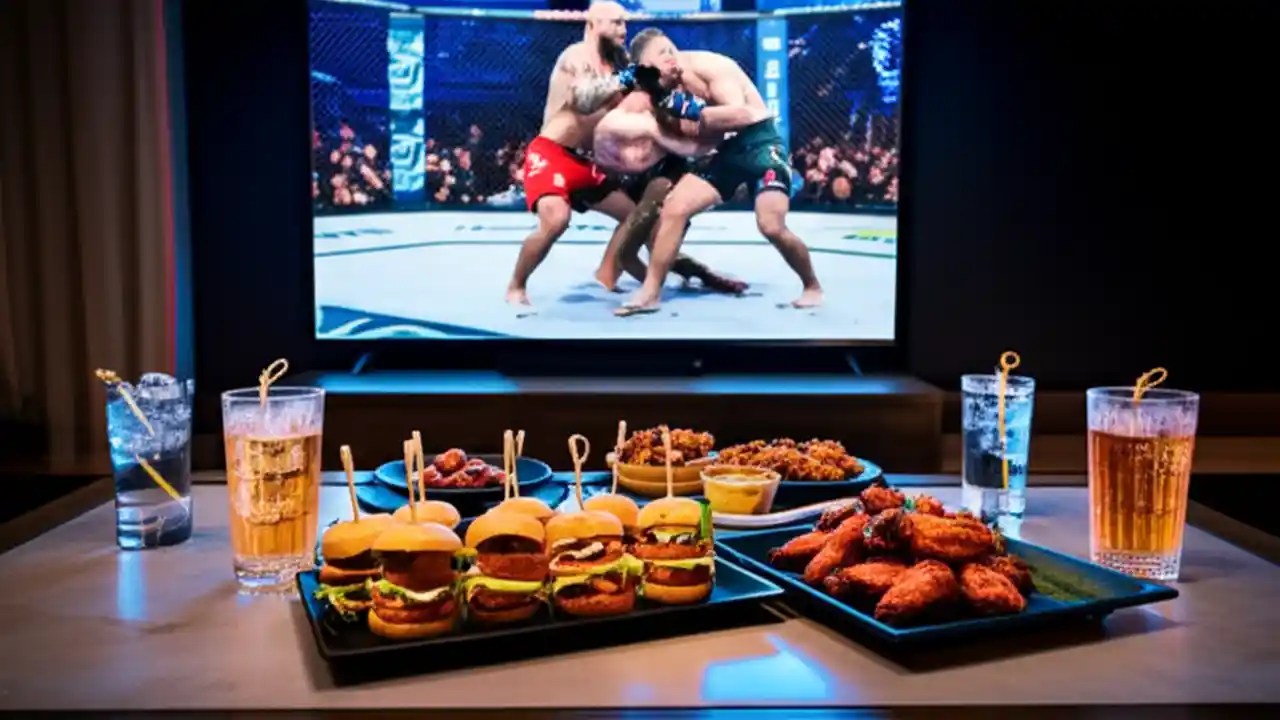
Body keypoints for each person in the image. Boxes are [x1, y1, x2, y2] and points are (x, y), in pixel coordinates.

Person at [504, 2, 732, 305]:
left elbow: (650, 94)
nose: (623, 29)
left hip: (584, 161)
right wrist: (629, 79)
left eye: (624, 23)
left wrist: (706, 115)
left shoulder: (620, 64)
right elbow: (584, 99)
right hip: (551, 153)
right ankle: (516, 285)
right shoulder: (576, 56)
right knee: (556, 219)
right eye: (615, 23)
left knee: (633, 217)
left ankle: (609, 273)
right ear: (593, 23)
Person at [617, 28, 824, 315]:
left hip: (760, 142)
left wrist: (680, 107)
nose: (670, 58)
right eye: (660, 57)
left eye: (670, 50)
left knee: (771, 225)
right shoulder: (660, 87)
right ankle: (650, 293)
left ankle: (812, 286)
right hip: (726, 153)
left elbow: (740, 114)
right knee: (675, 208)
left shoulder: (711, 66)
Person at [593, 90, 761, 293]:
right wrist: (654, 283)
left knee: (661, 246)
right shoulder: (644, 123)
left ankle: (701, 275)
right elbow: (628, 258)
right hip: (646, 181)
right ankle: (691, 276)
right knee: (649, 246)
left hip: (664, 179)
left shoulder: (673, 146)